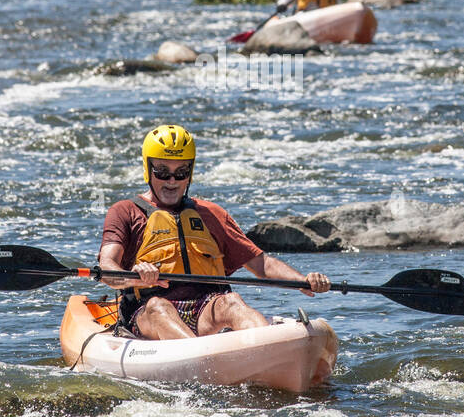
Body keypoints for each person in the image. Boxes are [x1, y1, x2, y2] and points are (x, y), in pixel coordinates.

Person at [97, 125, 330, 341]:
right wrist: (132, 275)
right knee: (159, 306)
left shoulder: (211, 214)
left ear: (190, 172)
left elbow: (261, 264)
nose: (171, 181)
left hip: (205, 309)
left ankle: (270, 349)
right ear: (148, 170)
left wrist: (302, 281)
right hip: (148, 312)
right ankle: (201, 361)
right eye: (162, 171)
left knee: (231, 301)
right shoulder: (125, 211)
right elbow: (107, 266)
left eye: (181, 172)